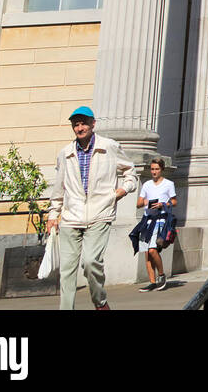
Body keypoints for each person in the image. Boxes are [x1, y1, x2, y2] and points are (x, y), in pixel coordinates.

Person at [46, 105, 137, 311]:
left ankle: (100, 302)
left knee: (90, 262)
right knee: (67, 270)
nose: (79, 128)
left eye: (83, 123)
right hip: (71, 217)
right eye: (75, 124)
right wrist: (53, 213)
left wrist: (121, 191)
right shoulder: (65, 153)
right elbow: (59, 187)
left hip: (100, 214)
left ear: (92, 124)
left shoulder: (109, 147)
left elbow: (131, 172)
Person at [133, 158, 177, 291]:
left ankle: (162, 275)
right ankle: (152, 282)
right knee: (147, 253)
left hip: (160, 220)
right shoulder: (146, 185)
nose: (154, 171)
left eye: (157, 169)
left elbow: (174, 202)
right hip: (147, 220)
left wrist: (163, 204)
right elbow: (138, 203)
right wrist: (147, 202)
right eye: (152, 169)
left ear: (161, 169)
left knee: (153, 250)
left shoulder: (169, 184)